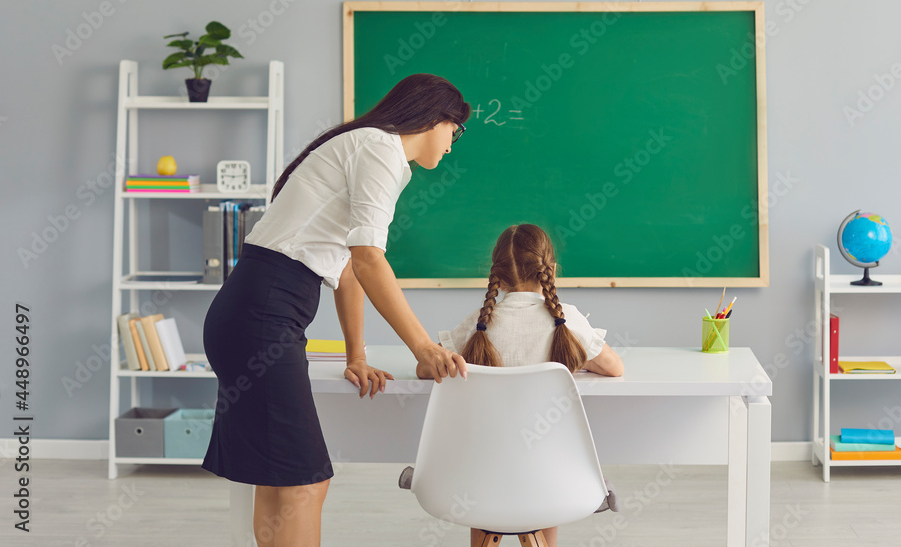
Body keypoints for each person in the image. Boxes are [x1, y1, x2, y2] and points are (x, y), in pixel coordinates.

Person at [201, 73, 471, 547]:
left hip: (250, 313)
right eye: (455, 131)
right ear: (435, 120)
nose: (452, 145)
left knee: (280, 478)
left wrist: (357, 356)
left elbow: (347, 269)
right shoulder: (380, 149)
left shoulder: (369, 147)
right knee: (306, 480)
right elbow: (368, 259)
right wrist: (424, 347)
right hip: (263, 315)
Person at [419, 223, 624, 547]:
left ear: (496, 277)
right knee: (548, 461)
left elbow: (424, 366)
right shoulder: (567, 320)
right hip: (552, 483)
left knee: (482, 458)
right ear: (551, 271)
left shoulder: (478, 325)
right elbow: (615, 367)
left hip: (476, 483)